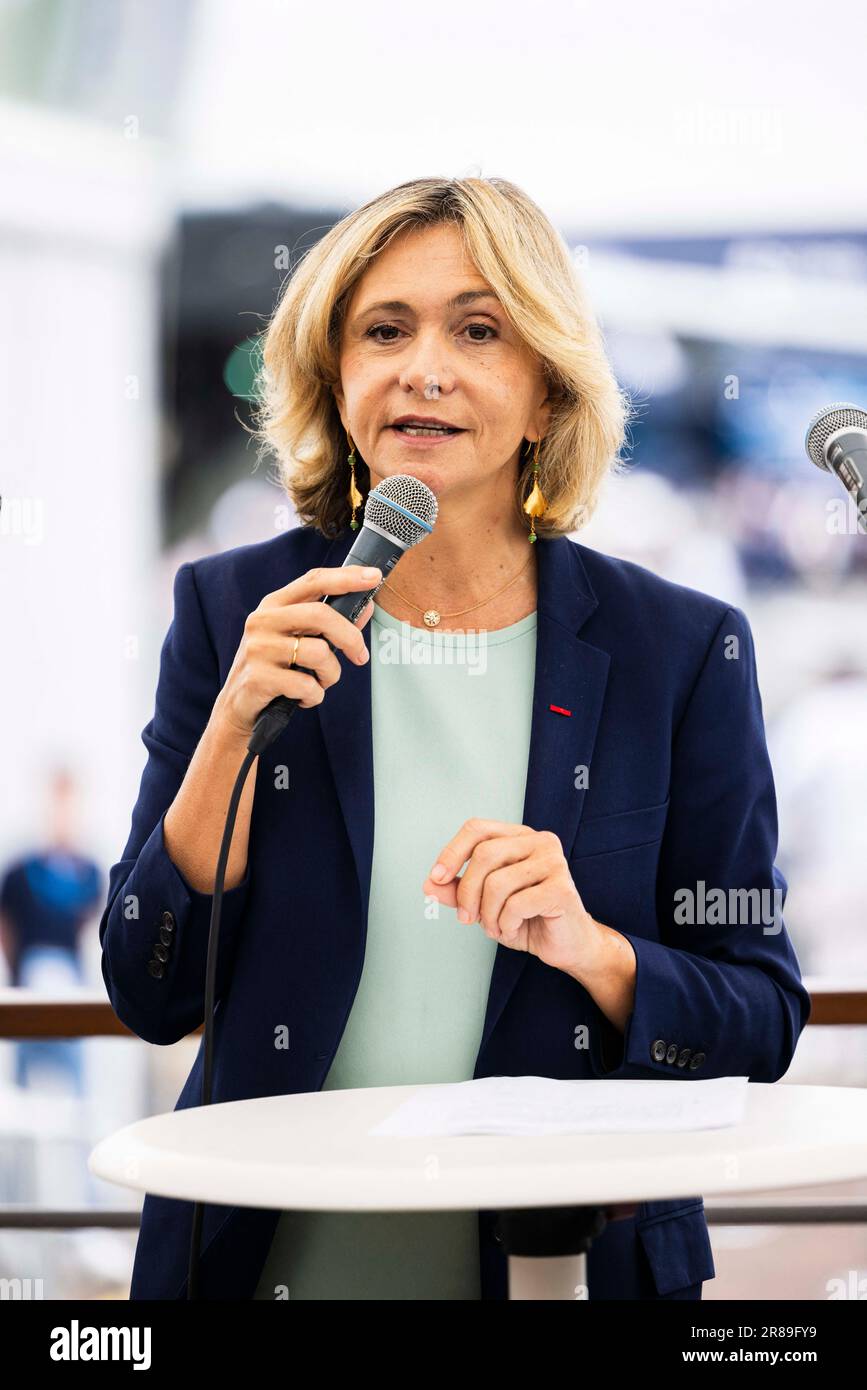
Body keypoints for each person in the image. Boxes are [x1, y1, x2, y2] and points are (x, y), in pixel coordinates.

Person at [99, 176, 811, 1301]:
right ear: (339, 382)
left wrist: (591, 947)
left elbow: (761, 1015)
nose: (423, 365)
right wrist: (230, 733)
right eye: (385, 329)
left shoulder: (680, 649)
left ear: (546, 396)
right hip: (262, 1267)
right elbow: (148, 989)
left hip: (568, 1273)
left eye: (478, 330)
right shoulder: (233, 610)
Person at [1, 767, 102, 1094]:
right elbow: (7, 929)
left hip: (70, 984)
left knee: (76, 1087)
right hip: (29, 986)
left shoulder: (90, 875)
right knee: (24, 1087)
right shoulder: (20, 873)